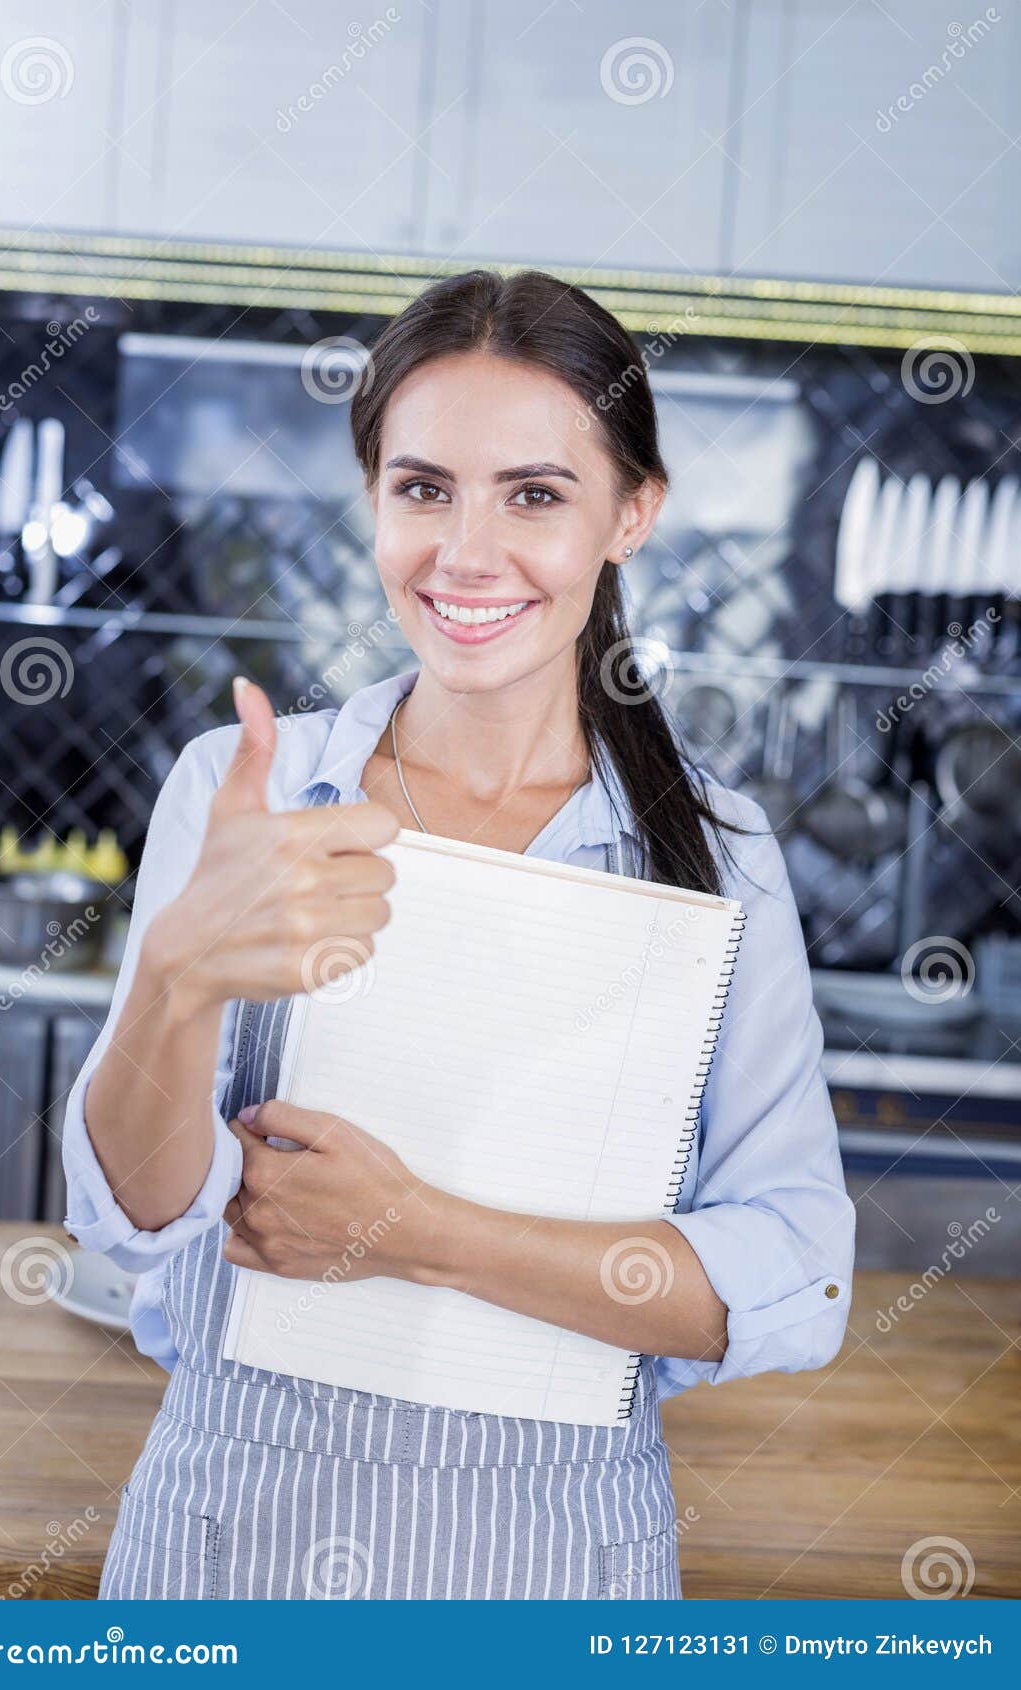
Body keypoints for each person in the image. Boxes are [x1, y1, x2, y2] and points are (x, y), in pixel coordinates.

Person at [63, 269, 854, 1601]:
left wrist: (416, 1228)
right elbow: (134, 1221)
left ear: (631, 513)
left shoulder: (720, 861)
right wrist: (178, 977)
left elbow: (795, 1277)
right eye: (424, 487)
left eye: (535, 494)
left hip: (556, 1566)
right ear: (373, 498)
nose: (466, 552)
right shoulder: (240, 788)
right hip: (229, 1543)